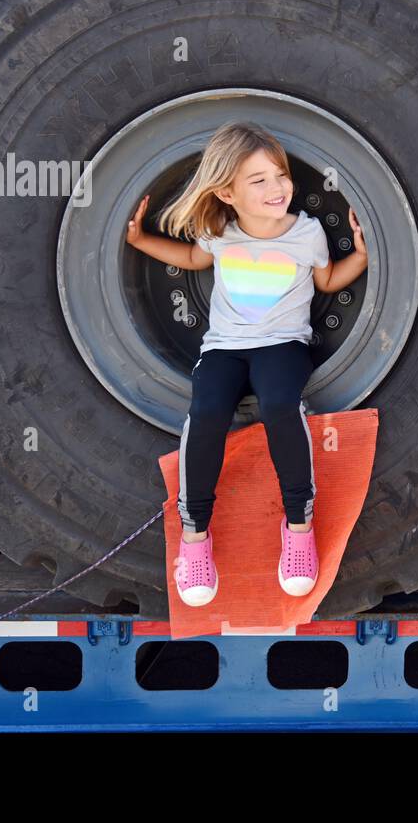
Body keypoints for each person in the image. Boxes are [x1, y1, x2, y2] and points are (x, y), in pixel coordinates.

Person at [126, 121, 368, 606]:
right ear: (227, 192)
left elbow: (326, 283)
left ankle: (298, 525)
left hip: (283, 345)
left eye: (279, 175)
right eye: (259, 181)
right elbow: (193, 261)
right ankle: (195, 538)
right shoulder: (220, 233)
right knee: (208, 411)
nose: (277, 188)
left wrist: (361, 256)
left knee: (281, 404)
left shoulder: (307, 233)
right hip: (224, 348)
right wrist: (140, 242)